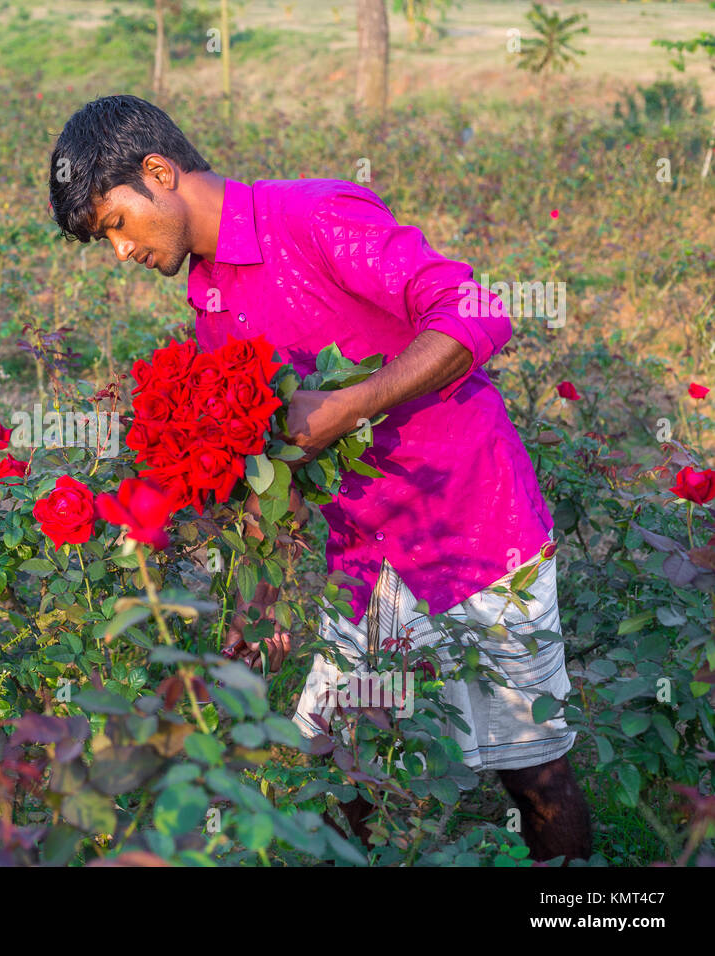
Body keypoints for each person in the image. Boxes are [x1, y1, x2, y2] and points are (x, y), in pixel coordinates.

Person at [47, 93, 591, 862]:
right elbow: (271, 459)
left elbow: (474, 310)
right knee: (338, 773)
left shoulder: (313, 216)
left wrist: (350, 406)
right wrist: (257, 604)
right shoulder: (208, 295)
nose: (121, 253)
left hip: (473, 528)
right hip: (365, 562)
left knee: (533, 774)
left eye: (115, 224)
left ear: (160, 173)